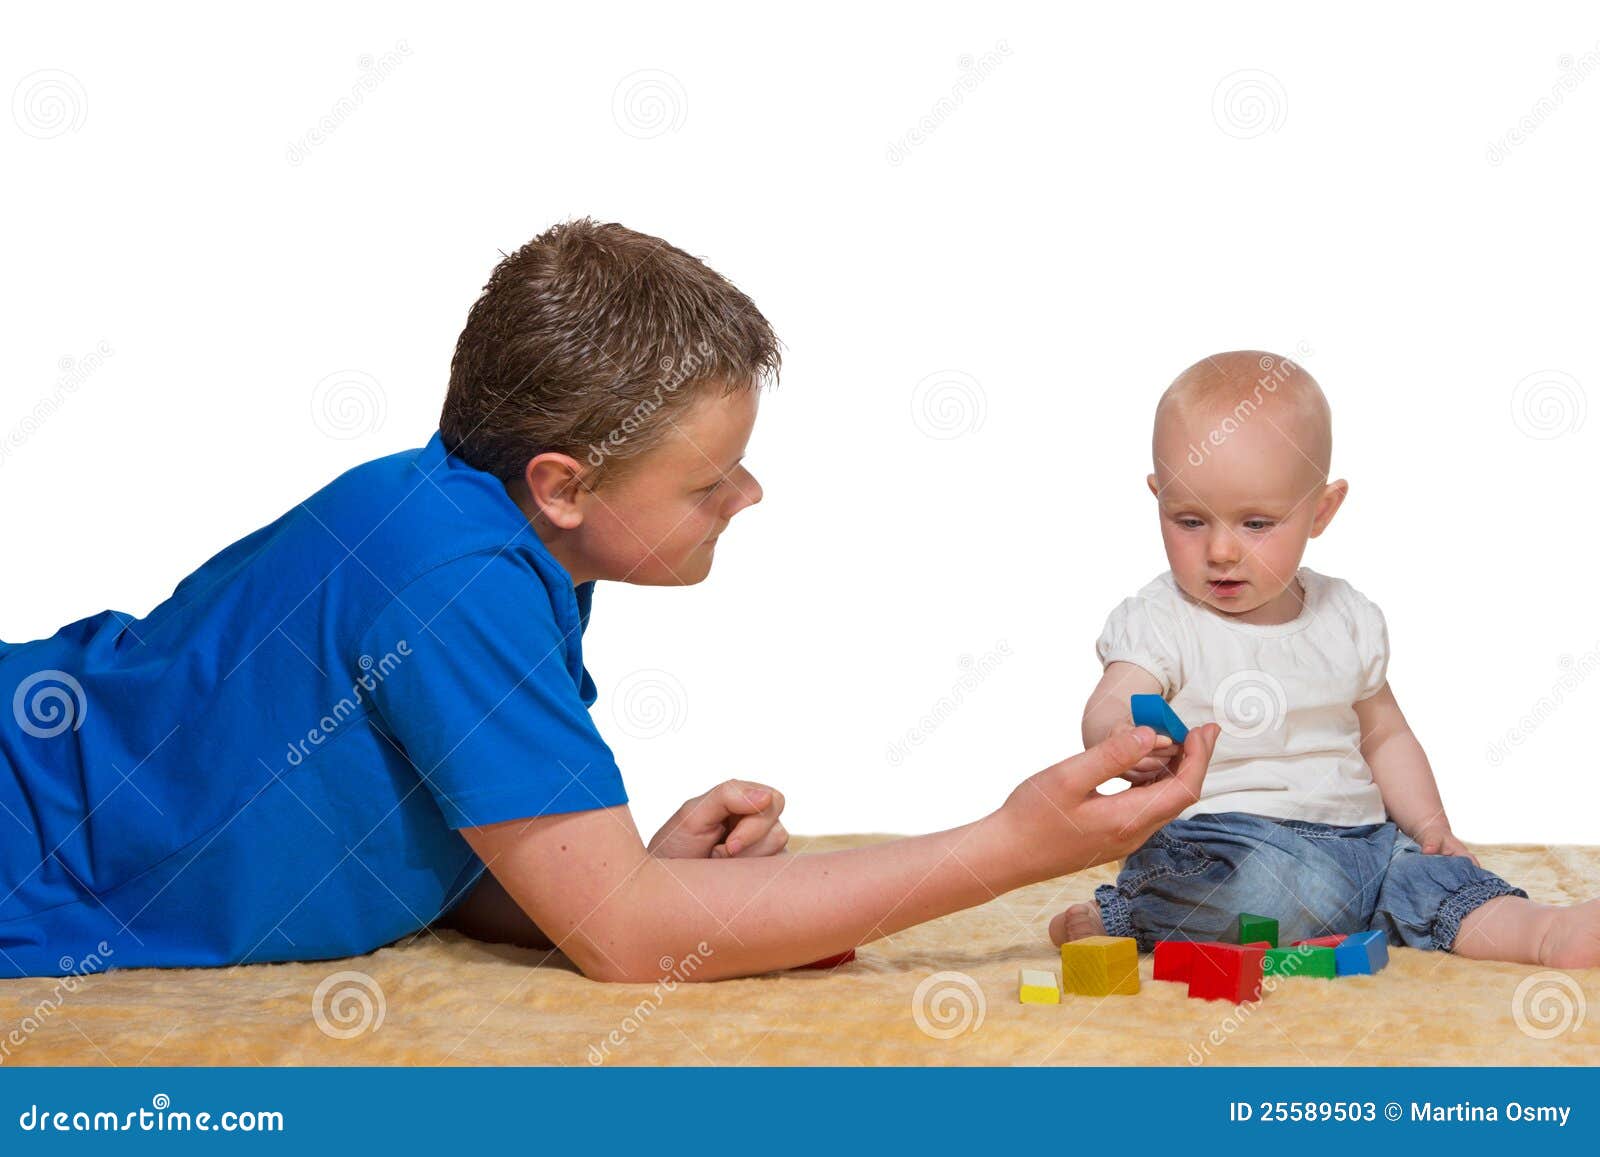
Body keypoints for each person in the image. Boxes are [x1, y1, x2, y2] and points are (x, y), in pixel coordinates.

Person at [0, 220, 1218, 982]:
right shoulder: (461, 579)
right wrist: (1013, 845)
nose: (749, 492)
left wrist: (594, 872)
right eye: (706, 477)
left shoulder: (468, 526)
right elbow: (629, 942)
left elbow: (381, 818)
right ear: (563, 484)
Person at [1051, 350, 1600, 968]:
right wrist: (1123, 735)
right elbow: (1113, 697)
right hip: (1222, 840)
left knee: (1440, 880)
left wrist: (1429, 827)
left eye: (1256, 523)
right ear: (1158, 500)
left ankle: (1546, 933)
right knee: (1267, 890)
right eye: (1189, 520)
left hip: (1366, 841)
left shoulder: (1346, 617)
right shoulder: (1163, 618)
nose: (1222, 550)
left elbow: (1387, 736)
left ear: (1321, 510)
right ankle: (1133, 911)